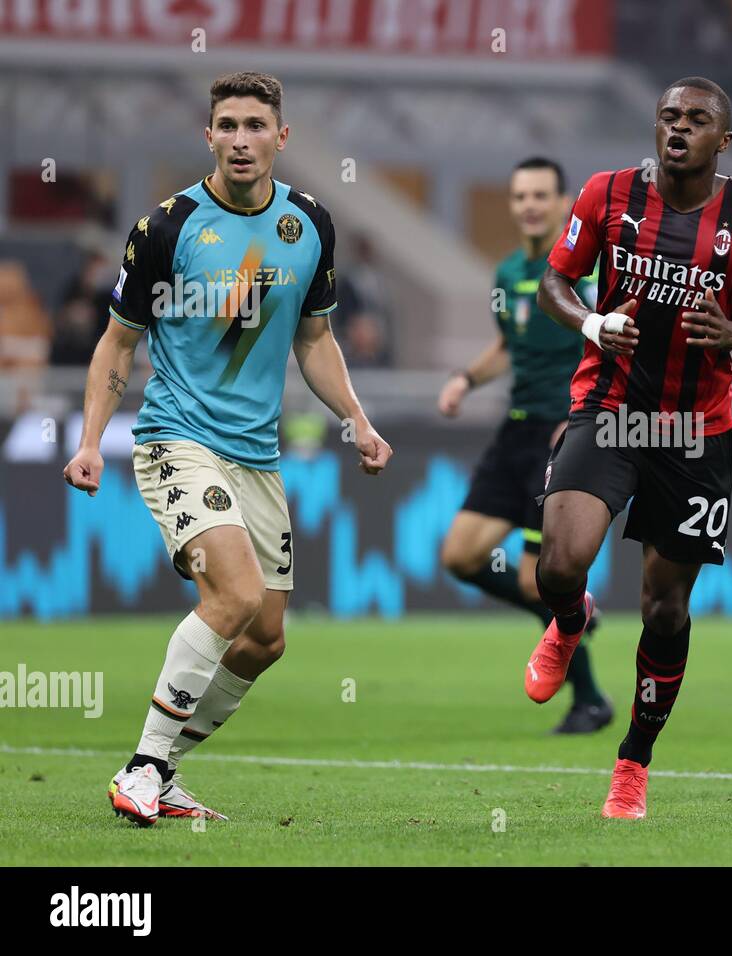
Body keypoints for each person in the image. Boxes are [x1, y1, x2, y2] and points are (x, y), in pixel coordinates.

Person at [62, 71, 392, 825]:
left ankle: (162, 769)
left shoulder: (309, 223)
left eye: (255, 125)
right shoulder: (167, 228)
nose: (241, 140)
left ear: (283, 137)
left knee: (266, 639)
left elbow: (315, 339)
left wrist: (358, 422)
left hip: (257, 456)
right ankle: (143, 768)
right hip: (177, 439)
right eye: (228, 126)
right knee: (235, 595)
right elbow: (118, 345)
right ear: (208, 136)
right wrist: (88, 442)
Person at [529, 77, 732, 818]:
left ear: (724, 139)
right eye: (669, 116)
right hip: (609, 408)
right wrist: (590, 324)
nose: (679, 127)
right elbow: (554, 280)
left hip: (695, 432)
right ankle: (570, 617)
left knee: (665, 611)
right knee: (557, 563)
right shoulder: (606, 194)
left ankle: (633, 764)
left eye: (698, 119)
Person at [438, 157, 611, 734]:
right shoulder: (508, 273)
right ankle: (575, 615)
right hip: (515, 431)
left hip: (563, 432)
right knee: (460, 555)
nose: (529, 205)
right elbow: (508, 346)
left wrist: (587, 423)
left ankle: (588, 698)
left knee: (534, 578)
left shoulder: (586, 275)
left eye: (541, 194)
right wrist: (465, 378)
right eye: (519, 196)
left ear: (564, 203)